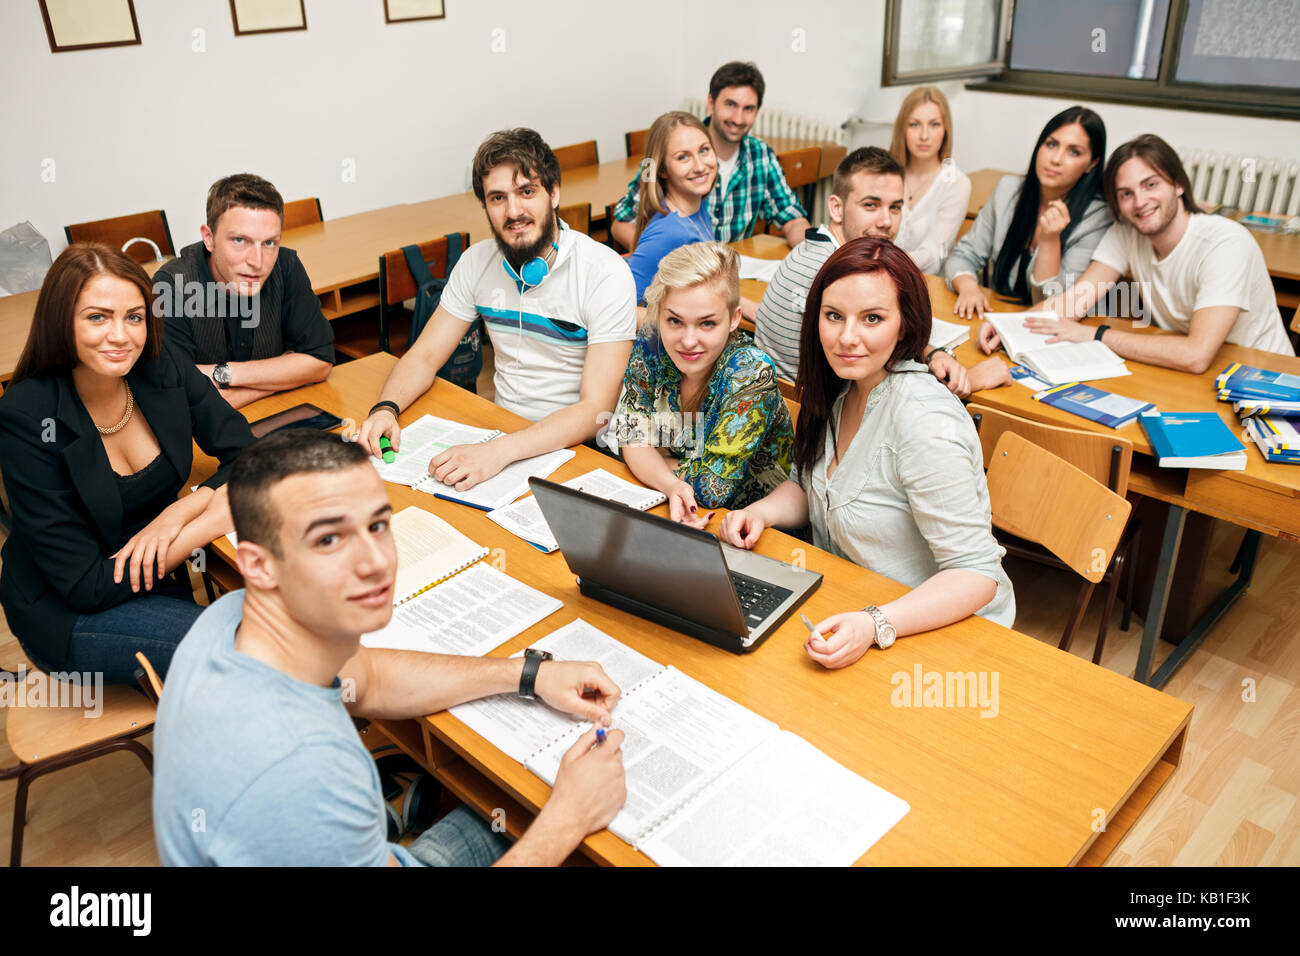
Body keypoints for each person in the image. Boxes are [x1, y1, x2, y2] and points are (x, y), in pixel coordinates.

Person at [153, 430, 627, 866]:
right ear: (259, 565)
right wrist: (570, 817)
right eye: (329, 538)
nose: (375, 561)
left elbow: (369, 676)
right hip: (308, 825)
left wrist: (528, 673)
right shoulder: (300, 772)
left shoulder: (232, 617)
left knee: (512, 806)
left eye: (378, 526)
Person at [721, 237, 1015, 670]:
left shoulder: (924, 421)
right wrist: (762, 513)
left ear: (905, 325)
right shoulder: (845, 388)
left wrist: (874, 623)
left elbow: (976, 574)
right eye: (833, 316)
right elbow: (813, 487)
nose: (847, 337)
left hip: (947, 637)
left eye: (872, 319)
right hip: (858, 611)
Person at [0, 244, 253, 682]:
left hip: (161, 573)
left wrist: (179, 512)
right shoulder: (26, 417)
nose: (121, 336)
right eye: (98, 317)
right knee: (252, 652)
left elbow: (247, 453)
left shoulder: (162, 363)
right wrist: (206, 525)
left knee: (292, 619)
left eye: (134, 317)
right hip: (72, 611)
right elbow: (86, 586)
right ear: (62, 321)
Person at [355, 129, 636, 490]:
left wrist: (499, 452)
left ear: (554, 193)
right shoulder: (476, 264)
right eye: (498, 198)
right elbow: (424, 357)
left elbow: (595, 410)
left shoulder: (604, 272)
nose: (513, 210)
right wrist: (385, 409)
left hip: (578, 448)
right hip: (502, 436)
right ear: (485, 206)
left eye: (527, 192)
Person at [984, 134, 1295, 368]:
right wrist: (1006, 327)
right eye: (1126, 194)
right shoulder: (1127, 233)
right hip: (1197, 371)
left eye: (1151, 185)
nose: (1140, 202)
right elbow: (1073, 302)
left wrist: (1096, 335)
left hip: (1264, 376)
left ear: (1178, 185)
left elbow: (1196, 355)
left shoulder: (1225, 244)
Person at [754, 147, 1010, 396]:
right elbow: (888, 398)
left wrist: (931, 352)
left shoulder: (809, 248)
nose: (886, 222)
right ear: (836, 208)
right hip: (824, 423)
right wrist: (971, 379)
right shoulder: (840, 278)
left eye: (895, 208)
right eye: (870, 205)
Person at [611, 243, 793, 526]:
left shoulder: (750, 373)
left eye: (707, 324)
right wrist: (671, 485)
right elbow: (631, 436)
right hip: (677, 508)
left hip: (758, 529)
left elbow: (712, 489)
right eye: (675, 321)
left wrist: (654, 458)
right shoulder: (652, 341)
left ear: (734, 319)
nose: (688, 340)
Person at [152, 173, 334, 409]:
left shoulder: (286, 265)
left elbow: (320, 361)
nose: (257, 261)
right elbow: (177, 395)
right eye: (240, 241)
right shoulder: (170, 285)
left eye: (269, 243)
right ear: (209, 238)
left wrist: (224, 374)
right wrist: (284, 374)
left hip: (276, 413)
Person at [609, 62, 810, 250]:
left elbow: (792, 217)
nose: (738, 118)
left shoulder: (761, 154)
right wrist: (666, 260)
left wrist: (809, 248)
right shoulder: (670, 148)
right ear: (711, 103)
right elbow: (621, 224)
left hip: (730, 272)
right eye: (730, 105)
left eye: (748, 109)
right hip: (682, 273)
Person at [944, 106, 1112, 317]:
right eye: (1051, 144)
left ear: (1092, 164)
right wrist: (968, 288)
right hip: (996, 315)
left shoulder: (1097, 218)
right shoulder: (1008, 190)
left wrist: (1050, 239)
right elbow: (963, 256)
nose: (1056, 159)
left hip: (1050, 331)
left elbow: (1054, 304)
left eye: (1074, 152)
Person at [626, 112, 718, 304]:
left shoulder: (698, 205)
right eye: (683, 157)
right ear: (662, 170)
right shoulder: (669, 234)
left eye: (704, 150)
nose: (700, 166)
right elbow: (624, 310)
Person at [889, 86, 971, 275]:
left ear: (946, 130)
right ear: (902, 128)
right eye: (914, 124)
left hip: (925, 285)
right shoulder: (884, 173)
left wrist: (887, 263)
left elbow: (933, 254)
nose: (924, 136)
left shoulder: (957, 183)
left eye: (934, 124)